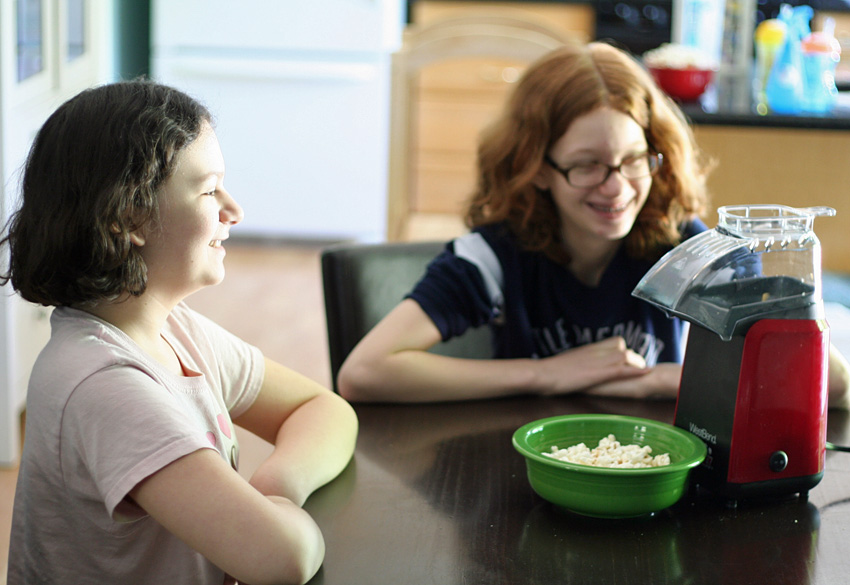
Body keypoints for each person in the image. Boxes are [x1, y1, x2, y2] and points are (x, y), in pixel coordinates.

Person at [337, 41, 850, 407]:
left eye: (633, 160)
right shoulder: (493, 256)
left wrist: (663, 380)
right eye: (587, 166)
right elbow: (364, 373)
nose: (617, 188)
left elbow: (829, 377)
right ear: (535, 167)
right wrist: (547, 374)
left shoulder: (689, 247)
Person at [0, 79, 358, 585]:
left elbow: (324, 409)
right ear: (132, 217)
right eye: (210, 189)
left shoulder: (173, 330)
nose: (233, 211)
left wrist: (276, 486)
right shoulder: (102, 384)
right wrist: (271, 518)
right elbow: (285, 558)